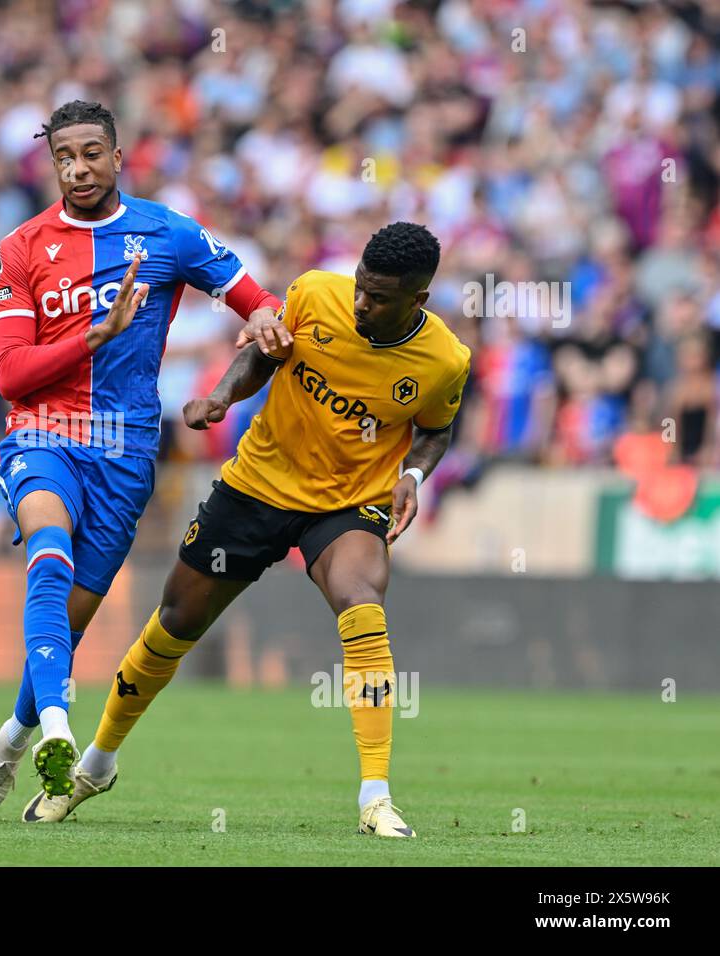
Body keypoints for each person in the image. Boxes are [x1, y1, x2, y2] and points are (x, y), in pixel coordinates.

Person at [26, 222, 471, 837]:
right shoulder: (316, 293)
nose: (363, 302)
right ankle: (98, 763)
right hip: (258, 484)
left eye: (380, 297)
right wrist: (221, 398)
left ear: (417, 300)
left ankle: (376, 797)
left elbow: (436, 429)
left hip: (347, 502)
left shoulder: (445, 360)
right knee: (176, 621)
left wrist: (414, 477)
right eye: (362, 288)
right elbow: (265, 350)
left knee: (361, 599)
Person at [0, 100, 285, 821]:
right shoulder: (21, 248)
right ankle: (62, 733)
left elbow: (247, 292)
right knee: (48, 553)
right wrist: (95, 336)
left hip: (126, 453)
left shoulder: (165, 232)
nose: (77, 168)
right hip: (42, 434)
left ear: (117, 154)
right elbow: (12, 376)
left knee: (67, 625)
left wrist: (260, 314)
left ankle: (10, 743)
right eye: (64, 156)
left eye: (90, 153)